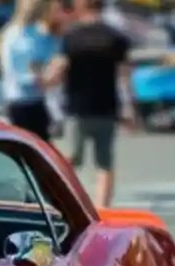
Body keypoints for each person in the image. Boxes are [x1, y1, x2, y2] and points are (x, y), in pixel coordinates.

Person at [44, 0, 135, 208]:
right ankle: (103, 206)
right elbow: (125, 75)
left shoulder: (71, 37)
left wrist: (46, 81)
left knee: (71, 159)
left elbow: (60, 68)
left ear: (81, 6)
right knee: (104, 162)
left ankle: (66, 201)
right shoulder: (115, 36)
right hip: (107, 107)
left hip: (77, 107)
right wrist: (130, 108)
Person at [0, 0, 61, 141]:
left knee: (41, 148)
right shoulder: (12, 35)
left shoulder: (40, 34)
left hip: (37, 101)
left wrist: (53, 68)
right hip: (19, 102)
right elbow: (13, 71)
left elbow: (53, 56)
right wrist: (39, 77)